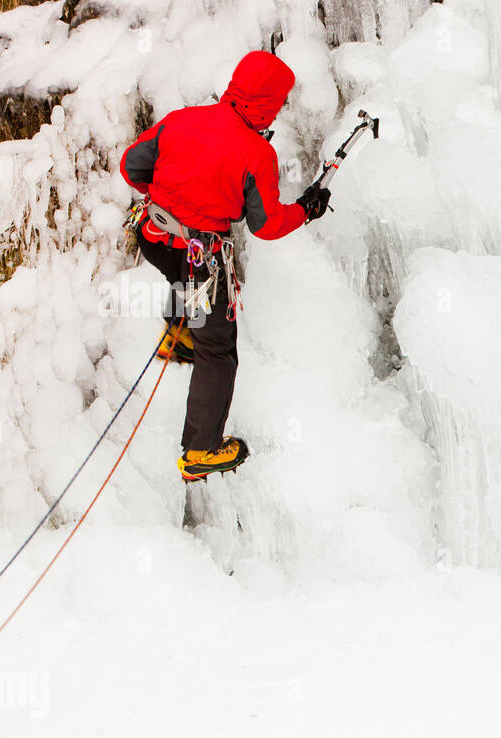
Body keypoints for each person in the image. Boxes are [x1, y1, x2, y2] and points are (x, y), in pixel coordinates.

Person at [119, 50, 331, 481]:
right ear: (269, 103)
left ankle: (178, 337)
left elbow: (131, 167)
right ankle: (201, 451)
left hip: (154, 234)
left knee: (180, 270)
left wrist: (170, 198)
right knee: (218, 352)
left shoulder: (182, 118)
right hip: (202, 256)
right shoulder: (256, 152)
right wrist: (306, 209)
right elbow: (266, 225)